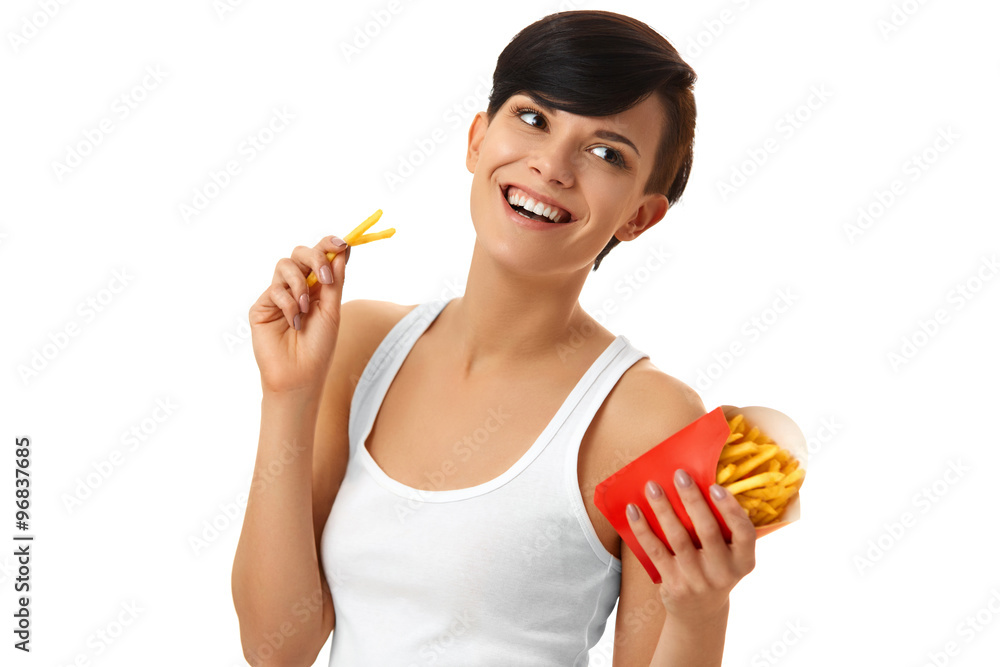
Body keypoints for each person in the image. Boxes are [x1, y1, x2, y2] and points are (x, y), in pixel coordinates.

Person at [232, 9, 756, 666]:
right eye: (534, 118)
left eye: (606, 152)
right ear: (477, 139)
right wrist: (287, 395)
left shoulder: (650, 419)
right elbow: (276, 648)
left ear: (640, 217)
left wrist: (704, 611)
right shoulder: (359, 344)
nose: (552, 165)